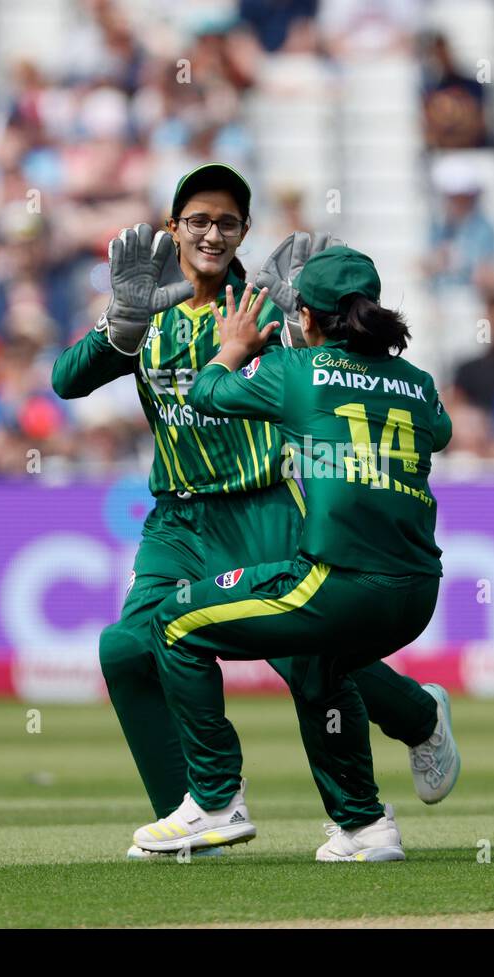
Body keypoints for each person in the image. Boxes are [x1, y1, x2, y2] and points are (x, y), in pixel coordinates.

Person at [50, 164, 458, 858]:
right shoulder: (148, 304)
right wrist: (120, 327)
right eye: (198, 220)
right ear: (173, 227)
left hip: (264, 505)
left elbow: (336, 375)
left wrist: (296, 335)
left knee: (308, 663)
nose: (212, 233)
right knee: (125, 650)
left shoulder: (269, 302)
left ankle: (403, 740)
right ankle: (196, 816)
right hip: (177, 521)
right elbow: (66, 382)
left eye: (228, 222)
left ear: (244, 230)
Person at [132, 246, 450, 861]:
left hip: (342, 582)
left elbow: (206, 392)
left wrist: (235, 344)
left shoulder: (299, 370)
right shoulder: (419, 383)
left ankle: (216, 802)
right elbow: (440, 431)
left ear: (305, 317)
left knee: (172, 624)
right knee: (320, 669)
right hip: (417, 592)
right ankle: (364, 827)